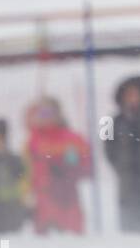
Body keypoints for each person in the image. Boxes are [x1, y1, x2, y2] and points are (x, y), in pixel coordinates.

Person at [24, 96, 91, 235]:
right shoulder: (33, 140)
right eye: (41, 113)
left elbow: (86, 166)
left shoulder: (72, 138)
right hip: (42, 201)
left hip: (67, 199)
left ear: (58, 114)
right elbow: (26, 170)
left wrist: (65, 166)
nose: (44, 117)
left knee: (71, 241)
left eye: (48, 112)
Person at [104, 75, 140, 235]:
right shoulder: (108, 121)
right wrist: (123, 168)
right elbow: (107, 151)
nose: (132, 99)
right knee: (130, 238)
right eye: (128, 94)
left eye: (136, 94)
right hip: (127, 190)